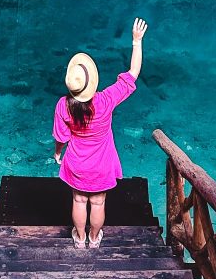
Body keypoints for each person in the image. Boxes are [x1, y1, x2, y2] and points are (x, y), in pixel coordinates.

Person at [52, 17, 147, 248]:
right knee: (97, 203)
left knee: (78, 199)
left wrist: (57, 154)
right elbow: (133, 72)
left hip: (77, 162)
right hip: (102, 164)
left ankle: (80, 238)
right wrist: (136, 41)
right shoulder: (105, 101)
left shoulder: (63, 105)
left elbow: (61, 137)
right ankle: (94, 239)